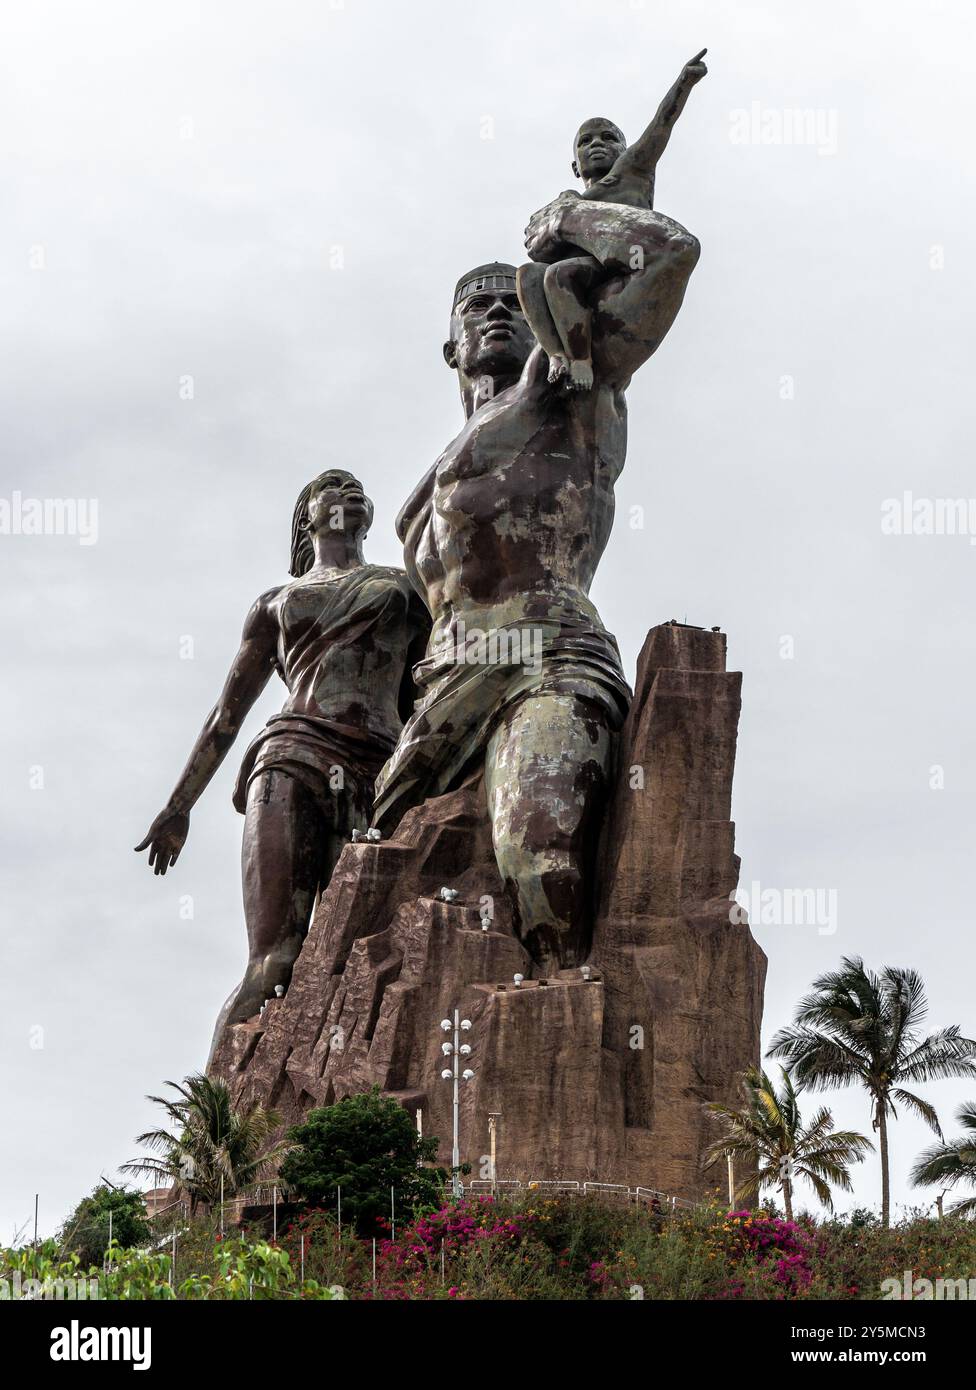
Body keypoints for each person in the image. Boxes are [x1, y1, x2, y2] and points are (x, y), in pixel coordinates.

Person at [372, 161, 700, 971]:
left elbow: (671, 254)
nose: (491, 314)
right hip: (440, 689)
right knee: (370, 889)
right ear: (450, 344)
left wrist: (573, 215)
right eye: (471, 307)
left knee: (541, 857)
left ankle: (565, 1036)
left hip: (544, 657)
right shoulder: (422, 493)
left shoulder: (572, 390)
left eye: (504, 302)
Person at [135, 470, 428, 1052]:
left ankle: (337, 1110)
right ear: (307, 519)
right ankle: (215, 1131)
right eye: (331, 485)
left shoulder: (404, 591)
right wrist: (177, 808)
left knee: (357, 948)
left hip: (381, 774)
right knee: (274, 961)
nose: (346, 488)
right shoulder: (276, 605)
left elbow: (425, 688)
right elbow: (226, 716)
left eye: (354, 485)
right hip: (290, 760)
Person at [517, 49, 707, 389]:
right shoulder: (570, 200)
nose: (597, 144)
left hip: (624, 267)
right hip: (584, 272)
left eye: (609, 138)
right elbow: (538, 252)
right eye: (585, 141)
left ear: (624, 149)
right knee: (530, 275)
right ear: (575, 166)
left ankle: (581, 360)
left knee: (560, 275)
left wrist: (684, 83)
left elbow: (660, 127)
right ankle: (556, 355)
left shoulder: (630, 172)